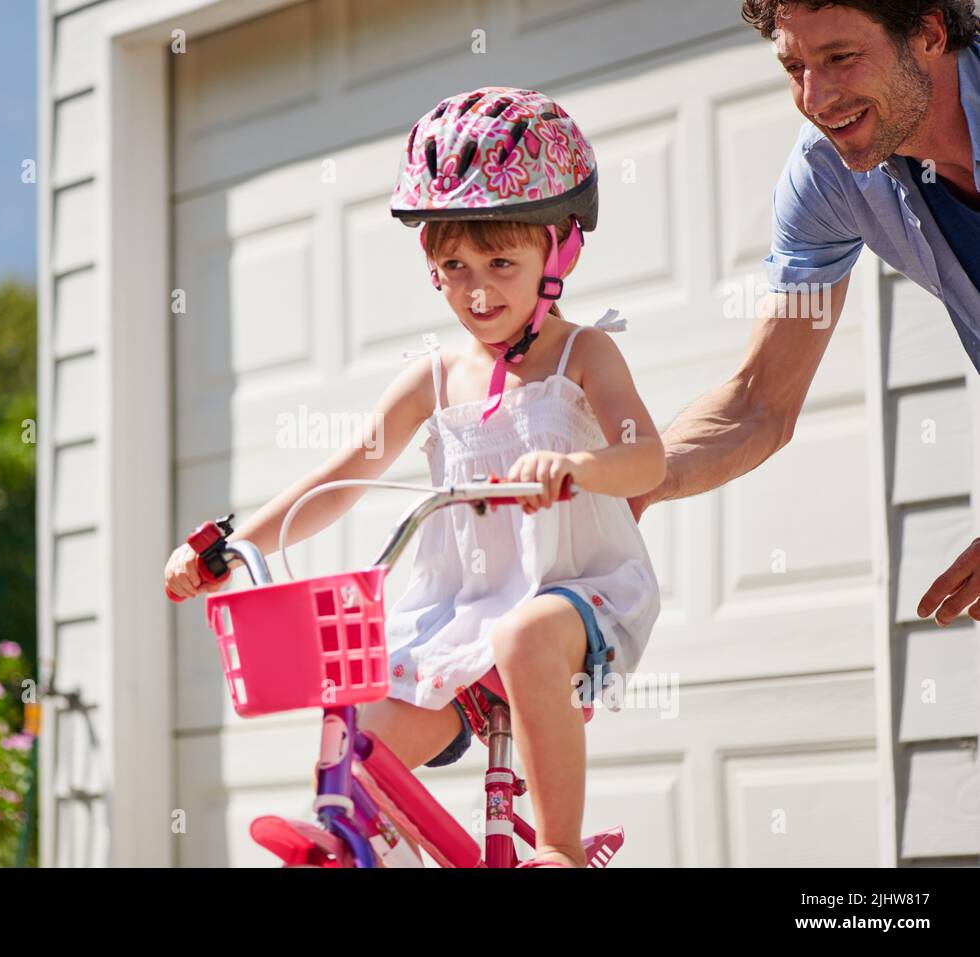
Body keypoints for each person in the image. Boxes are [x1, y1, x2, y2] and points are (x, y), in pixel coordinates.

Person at [165, 87, 664, 868]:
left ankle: (561, 850)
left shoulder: (584, 357)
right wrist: (226, 545)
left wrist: (577, 467)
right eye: (455, 265)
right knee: (359, 740)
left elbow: (647, 457)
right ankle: (351, 844)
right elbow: (338, 480)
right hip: (459, 616)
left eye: (502, 262)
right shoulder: (429, 380)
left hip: (578, 594)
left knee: (525, 634)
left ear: (557, 251)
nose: (477, 289)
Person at [630, 1, 980, 630]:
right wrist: (644, 476)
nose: (815, 98)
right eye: (794, 66)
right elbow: (760, 401)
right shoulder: (826, 175)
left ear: (930, 31)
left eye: (840, 58)